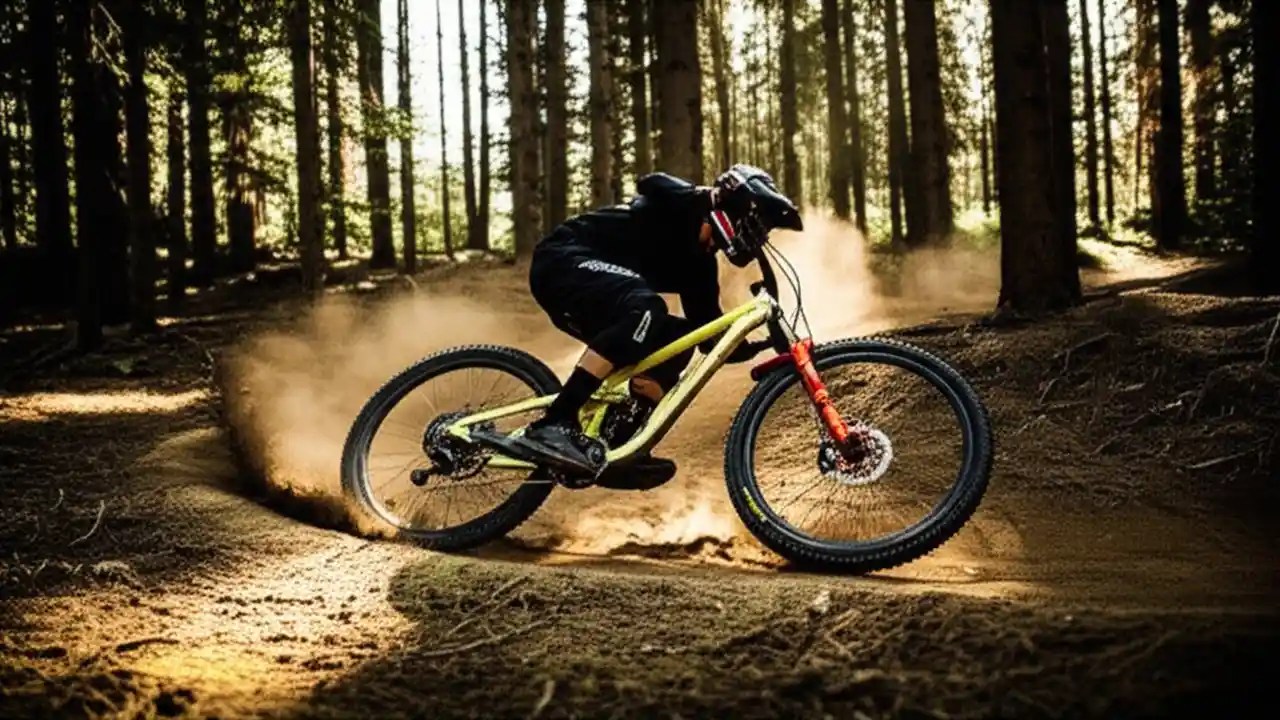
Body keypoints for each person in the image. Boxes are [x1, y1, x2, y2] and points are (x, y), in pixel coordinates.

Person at [510, 164, 803, 479]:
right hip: (562, 260)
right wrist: (706, 197)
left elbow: (708, 337)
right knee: (647, 307)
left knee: (680, 341)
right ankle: (556, 422)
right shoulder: (681, 205)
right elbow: (650, 182)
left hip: (595, 295)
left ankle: (614, 450)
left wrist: (755, 344)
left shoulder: (699, 269)